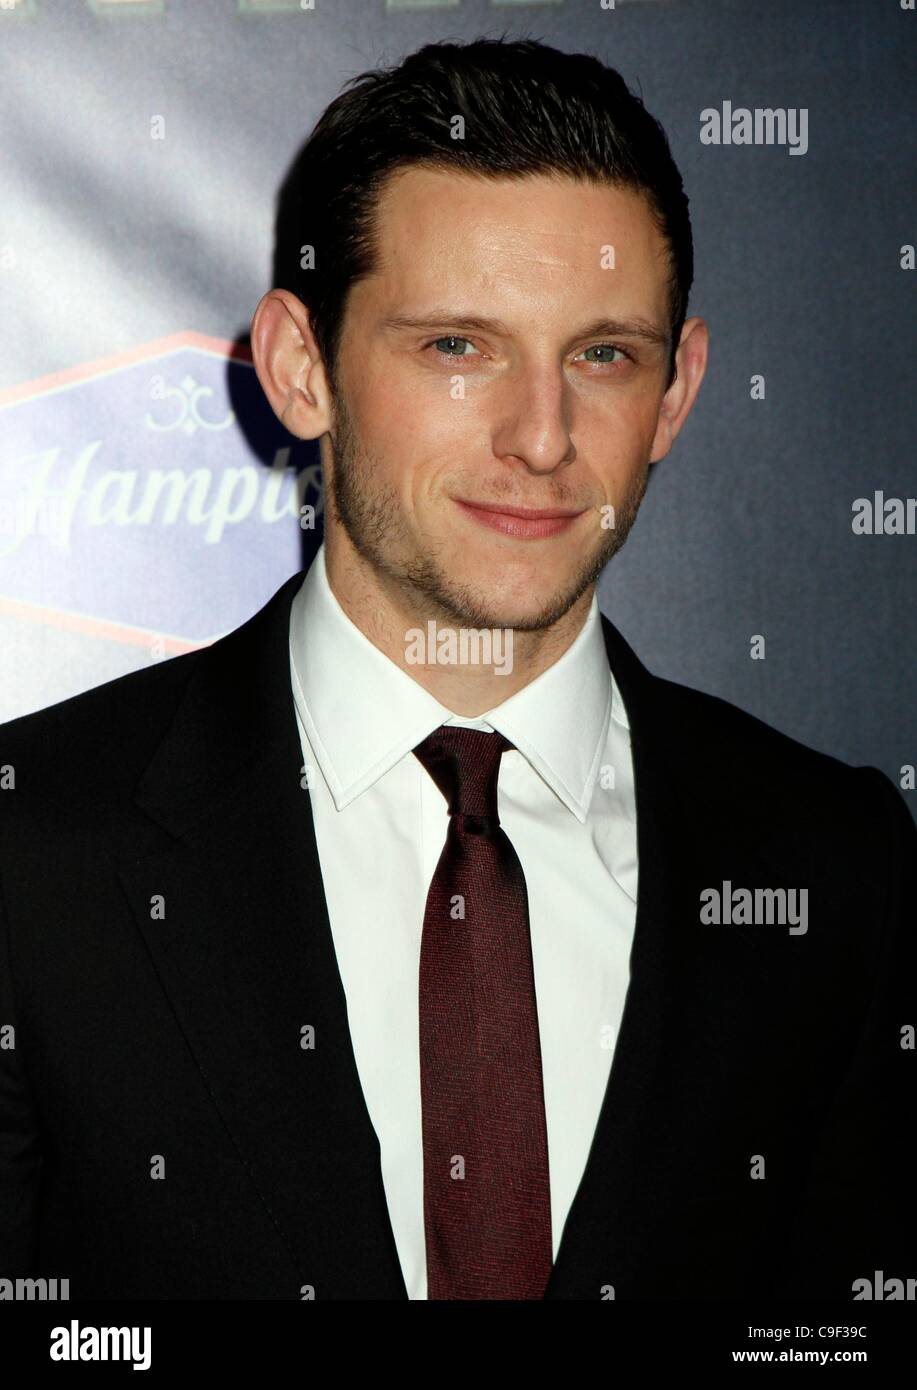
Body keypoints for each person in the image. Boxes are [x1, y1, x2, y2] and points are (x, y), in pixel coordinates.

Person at [0, 36, 912, 1302]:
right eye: (455, 347)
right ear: (300, 367)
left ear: (677, 390)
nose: (540, 438)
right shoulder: (31, 846)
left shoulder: (835, 866)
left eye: (600, 354)